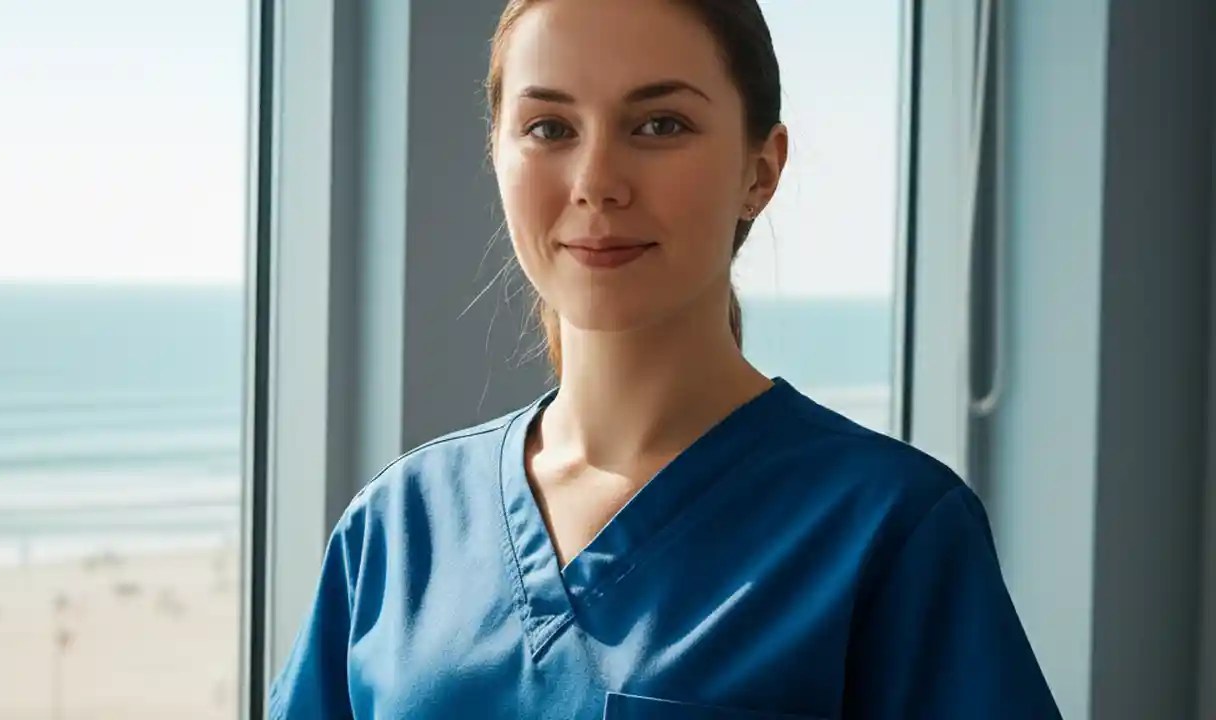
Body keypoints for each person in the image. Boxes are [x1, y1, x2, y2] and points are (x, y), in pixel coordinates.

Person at [269, 0, 1062, 718]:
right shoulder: (399, 528)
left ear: (760, 170)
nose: (596, 183)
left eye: (659, 125)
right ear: (498, 155)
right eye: (549, 128)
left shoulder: (889, 530)